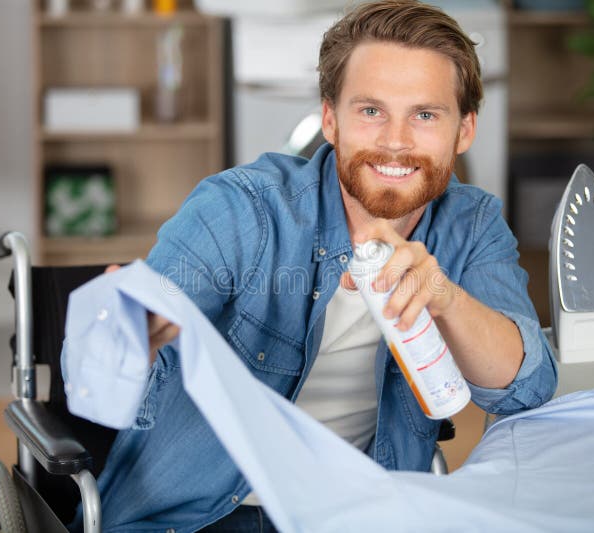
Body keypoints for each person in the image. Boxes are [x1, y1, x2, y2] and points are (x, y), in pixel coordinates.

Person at [77, 1, 557, 531]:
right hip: (196, 517)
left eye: (424, 115)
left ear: (464, 130)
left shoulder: (472, 224)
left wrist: (445, 297)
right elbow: (149, 312)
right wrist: (129, 328)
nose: (395, 141)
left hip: (355, 514)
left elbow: (526, 386)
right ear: (330, 120)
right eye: (370, 111)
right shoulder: (242, 209)